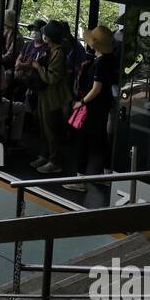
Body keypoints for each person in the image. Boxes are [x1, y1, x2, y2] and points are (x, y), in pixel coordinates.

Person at [64, 24, 118, 190]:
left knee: (83, 140)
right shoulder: (109, 59)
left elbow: (96, 88)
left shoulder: (101, 63)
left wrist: (82, 102)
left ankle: (80, 179)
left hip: (92, 107)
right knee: (101, 139)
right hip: (102, 107)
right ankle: (108, 175)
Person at [30, 20, 71, 173]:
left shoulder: (58, 53)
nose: (43, 35)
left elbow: (52, 78)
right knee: (43, 126)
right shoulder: (52, 49)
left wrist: (38, 67)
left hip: (52, 97)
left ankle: (54, 161)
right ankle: (44, 155)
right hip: (45, 94)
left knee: (51, 128)